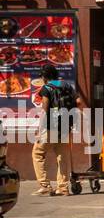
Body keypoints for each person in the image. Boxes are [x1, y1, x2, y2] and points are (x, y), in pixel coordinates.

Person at [31, 66, 86, 197]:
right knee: (62, 157)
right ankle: (62, 188)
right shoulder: (67, 85)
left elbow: (45, 108)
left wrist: (40, 128)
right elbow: (78, 102)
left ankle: (45, 186)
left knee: (38, 153)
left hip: (51, 126)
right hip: (65, 127)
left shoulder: (47, 88)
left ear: (44, 77)